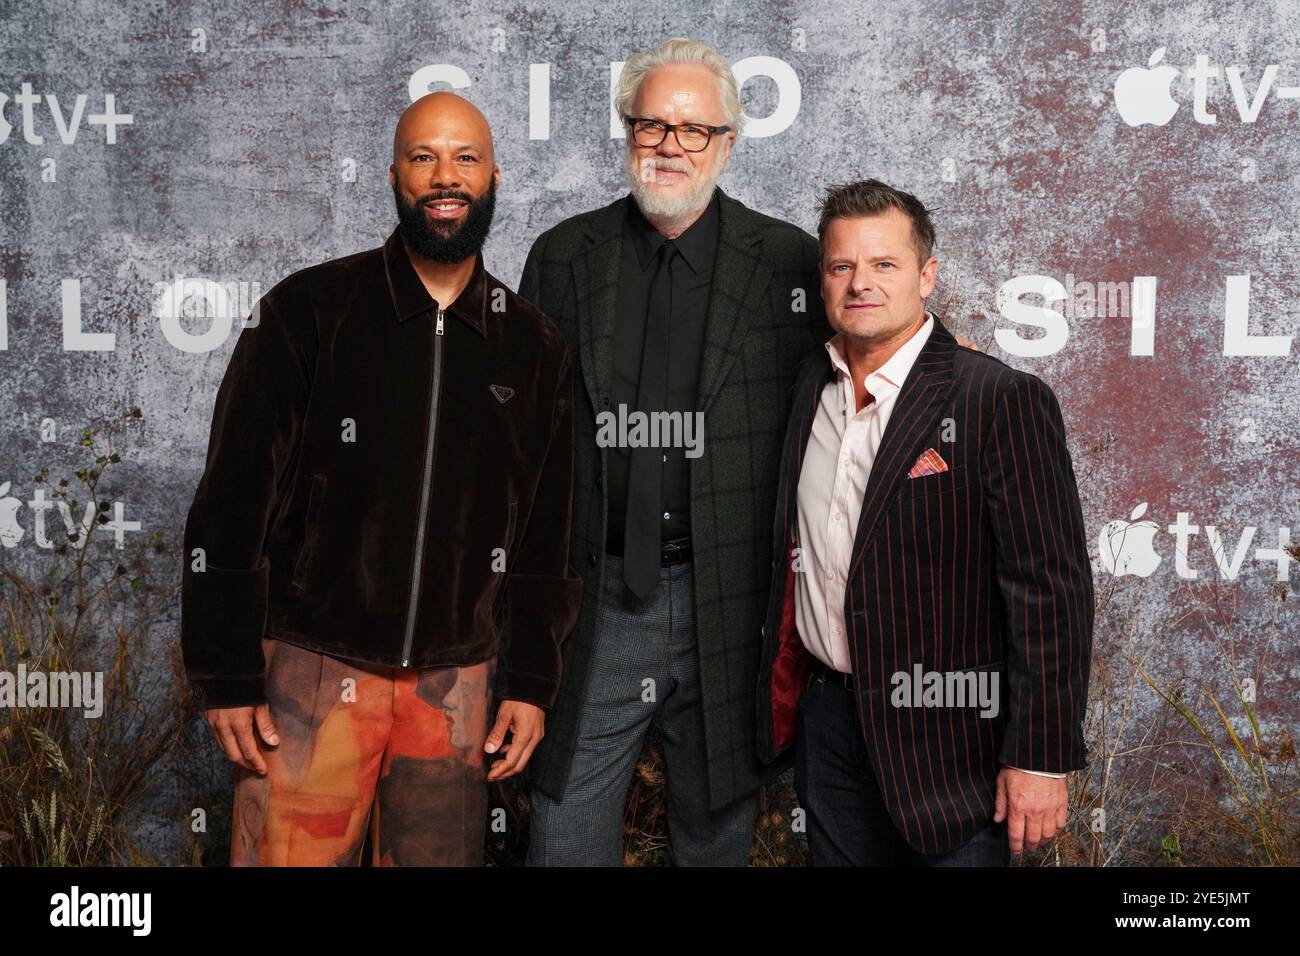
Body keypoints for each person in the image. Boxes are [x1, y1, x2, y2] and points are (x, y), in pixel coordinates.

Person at [180, 91, 581, 866]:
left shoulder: (533, 346)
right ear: (394, 175)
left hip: (455, 689)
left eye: (465, 157)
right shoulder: (308, 311)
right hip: (310, 672)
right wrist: (225, 669)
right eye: (423, 157)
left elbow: (547, 535)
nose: (445, 176)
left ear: (495, 174)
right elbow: (230, 504)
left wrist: (531, 680)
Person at [516, 37, 829, 866]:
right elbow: (527, 442)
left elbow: (859, 374)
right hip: (599, 596)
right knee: (560, 831)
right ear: (626, 131)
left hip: (726, 597)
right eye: (652, 123)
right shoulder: (561, 257)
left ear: (727, 143)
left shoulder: (790, 264)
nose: (669, 144)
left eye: (693, 130)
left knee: (717, 834)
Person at [756, 179, 1094, 865]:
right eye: (841, 265)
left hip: (952, 751)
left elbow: (1049, 590)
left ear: (926, 276)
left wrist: (1040, 756)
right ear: (822, 279)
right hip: (831, 728)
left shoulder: (996, 400)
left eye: (885, 264)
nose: (861, 284)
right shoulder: (807, 388)